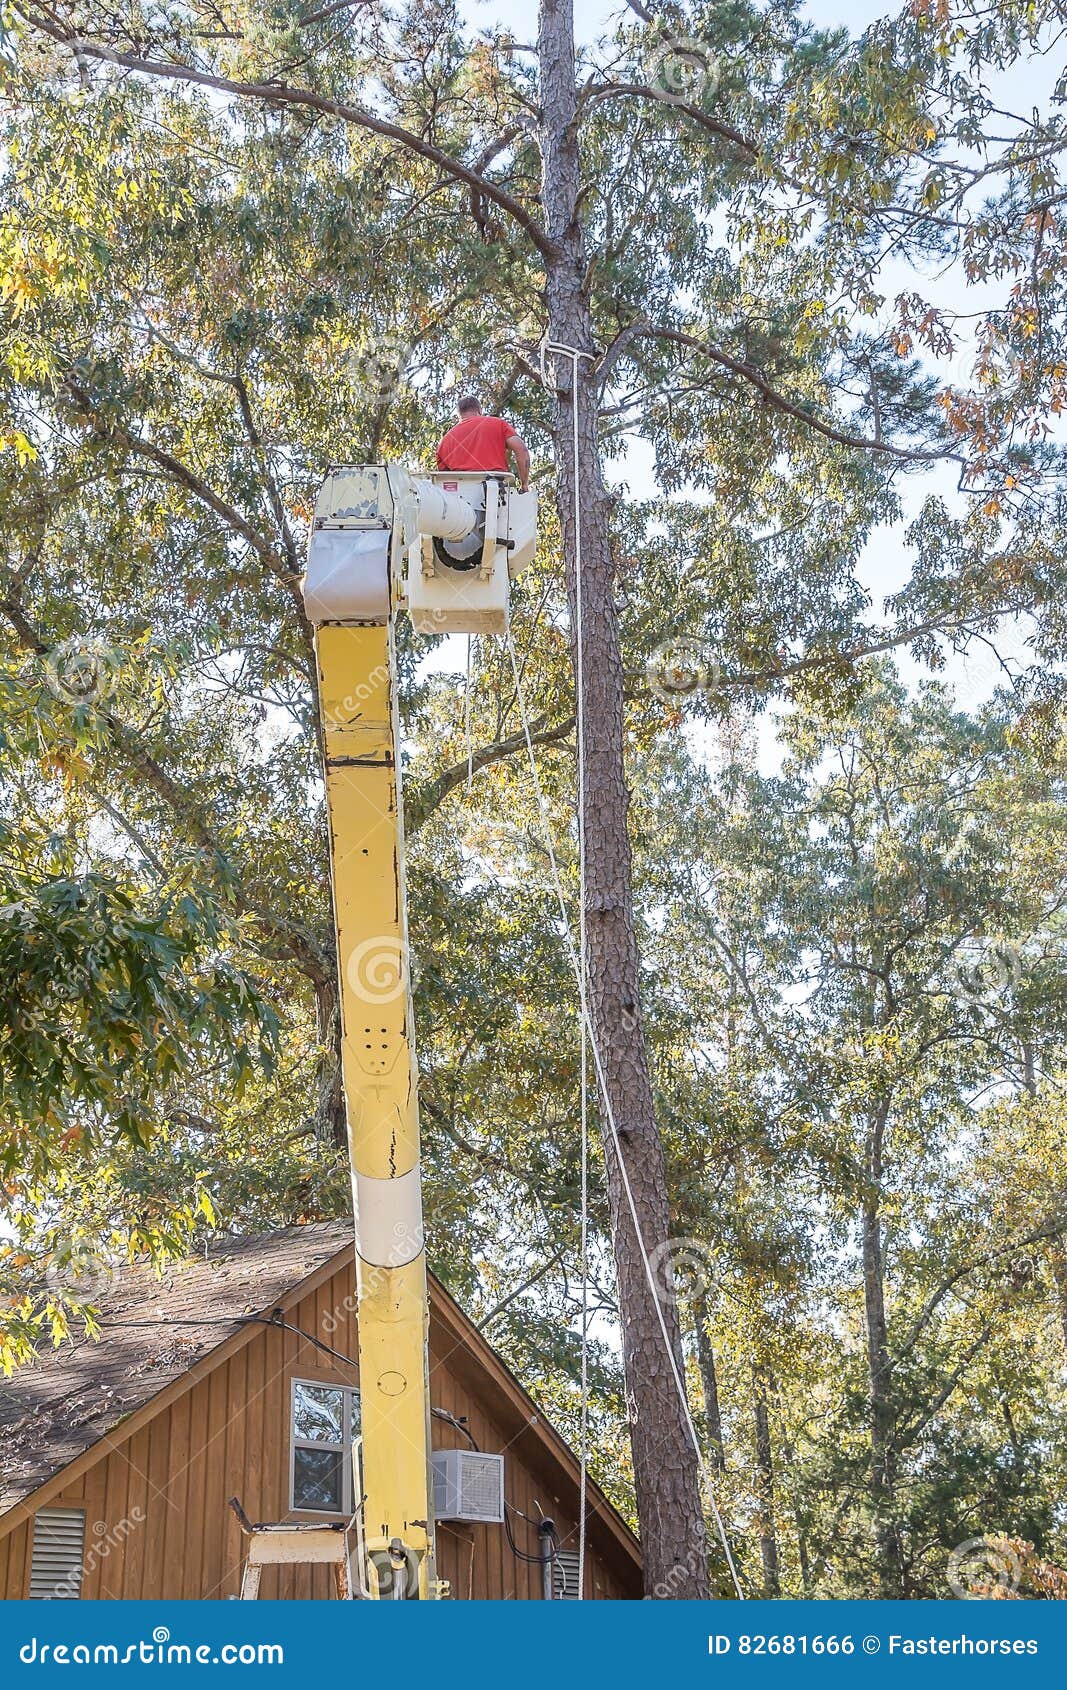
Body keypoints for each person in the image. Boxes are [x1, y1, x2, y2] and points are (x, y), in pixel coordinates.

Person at [436, 396, 531, 492]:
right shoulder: (498, 424)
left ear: (459, 414)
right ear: (479, 410)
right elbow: (521, 450)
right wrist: (524, 485)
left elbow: (445, 481)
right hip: (495, 489)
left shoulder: (445, 441)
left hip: (460, 496)